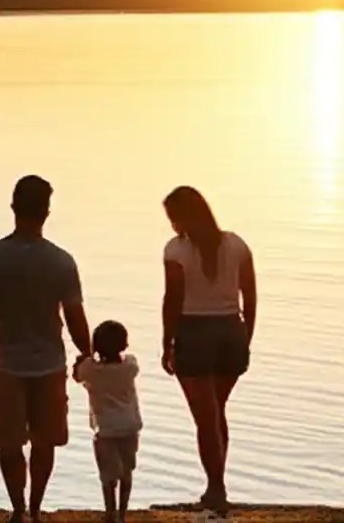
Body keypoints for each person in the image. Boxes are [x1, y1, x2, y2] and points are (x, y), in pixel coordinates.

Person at [0, 175, 92, 523]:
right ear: (47, 212)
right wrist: (88, 353)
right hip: (50, 363)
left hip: (4, 362)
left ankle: (18, 509)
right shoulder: (61, 261)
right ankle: (35, 508)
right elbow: (75, 316)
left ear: (12, 208)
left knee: (9, 442)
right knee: (45, 441)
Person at [159, 186, 258, 518]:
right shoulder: (237, 245)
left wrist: (167, 341)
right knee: (214, 413)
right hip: (231, 332)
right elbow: (250, 294)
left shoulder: (176, 250)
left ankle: (216, 490)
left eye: (172, 217)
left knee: (207, 419)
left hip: (195, 333)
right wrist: (247, 335)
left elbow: (172, 299)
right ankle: (215, 485)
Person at [73, 320, 142, 523]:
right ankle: (122, 513)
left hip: (106, 430)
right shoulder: (130, 366)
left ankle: (110, 512)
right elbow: (131, 360)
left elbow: (77, 375)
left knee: (107, 475)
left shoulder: (91, 371)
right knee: (127, 471)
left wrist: (84, 357)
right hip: (130, 426)